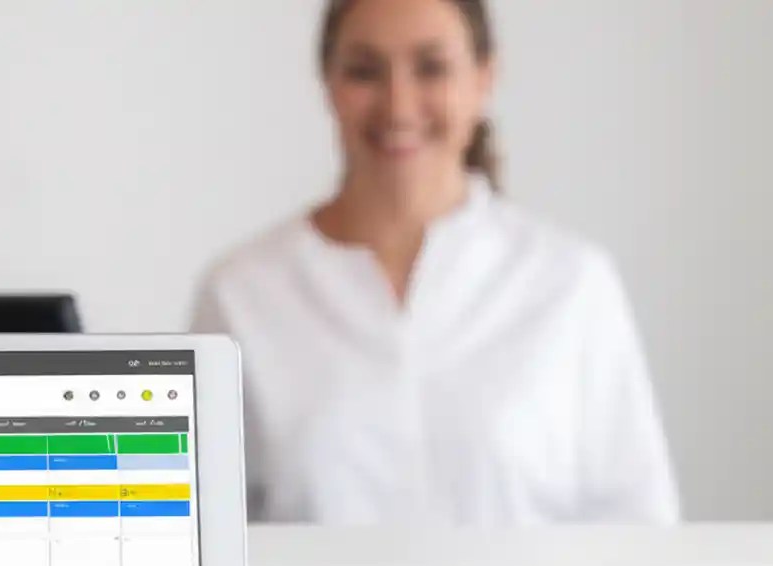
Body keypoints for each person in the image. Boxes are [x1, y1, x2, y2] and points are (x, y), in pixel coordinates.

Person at [190, 0, 679, 525]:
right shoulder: (242, 293)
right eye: (365, 71)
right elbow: (197, 537)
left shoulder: (571, 283)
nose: (398, 106)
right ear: (328, 83)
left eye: (431, 68)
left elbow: (640, 530)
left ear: (484, 78)